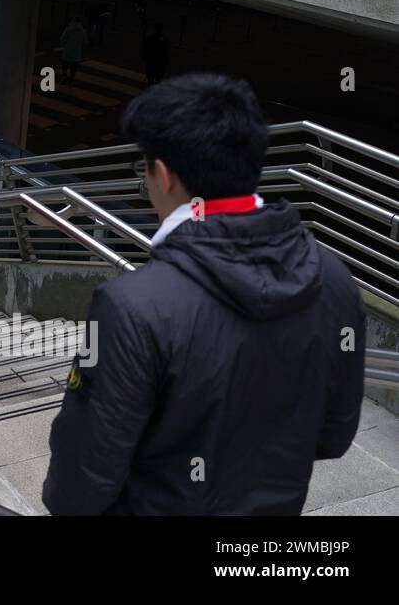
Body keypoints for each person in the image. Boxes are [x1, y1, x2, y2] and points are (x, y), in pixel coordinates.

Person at [43, 74, 364, 515]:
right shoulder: (334, 277)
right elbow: (334, 433)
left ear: (163, 174)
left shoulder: (131, 305)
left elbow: (82, 480)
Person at [59, 16, 89, 84]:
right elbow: (85, 41)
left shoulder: (68, 29)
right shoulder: (82, 31)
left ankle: (64, 76)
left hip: (67, 50)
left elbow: (62, 39)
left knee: (65, 64)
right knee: (74, 67)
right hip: (77, 52)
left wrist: (65, 44)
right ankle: (71, 80)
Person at [141, 21, 169, 85]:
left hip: (150, 61)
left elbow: (144, 50)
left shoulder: (149, 38)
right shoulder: (164, 40)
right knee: (158, 78)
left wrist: (145, 58)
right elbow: (165, 53)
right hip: (159, 62)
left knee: (150, 78)